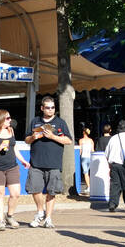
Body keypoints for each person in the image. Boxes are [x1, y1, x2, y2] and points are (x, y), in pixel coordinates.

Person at [25, 95, 73, 229]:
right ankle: (40, 212)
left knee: (52, 191)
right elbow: (26, 140)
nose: (50, 110)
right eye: (47, 108)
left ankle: (48, 218)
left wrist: (52, 137)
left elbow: (68, 140)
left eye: (52, 108)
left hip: (54, 163)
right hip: (36, 162)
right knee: (35, 189)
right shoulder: (35, 121)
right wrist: (33, 137)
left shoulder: (60, 122)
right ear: (42, 108)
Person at [0, 109, 28, 229]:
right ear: (1, 119)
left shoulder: (10, 130)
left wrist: (23, 160)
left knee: (15, 194)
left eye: (10, 118)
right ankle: (1, 220)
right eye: (8, 118)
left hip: (12, 166)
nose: (10, 120)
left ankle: (10, 216)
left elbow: (14, 148)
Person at [78, 124, 94, 194]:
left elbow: (80, 151)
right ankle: (89, 186)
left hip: (84, 157)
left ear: (84, 133)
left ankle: (89, 187)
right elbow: (92, 150)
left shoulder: (81, 140)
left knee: (86, 173)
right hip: (90, 157)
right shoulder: (91, 140)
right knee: (90, 172)